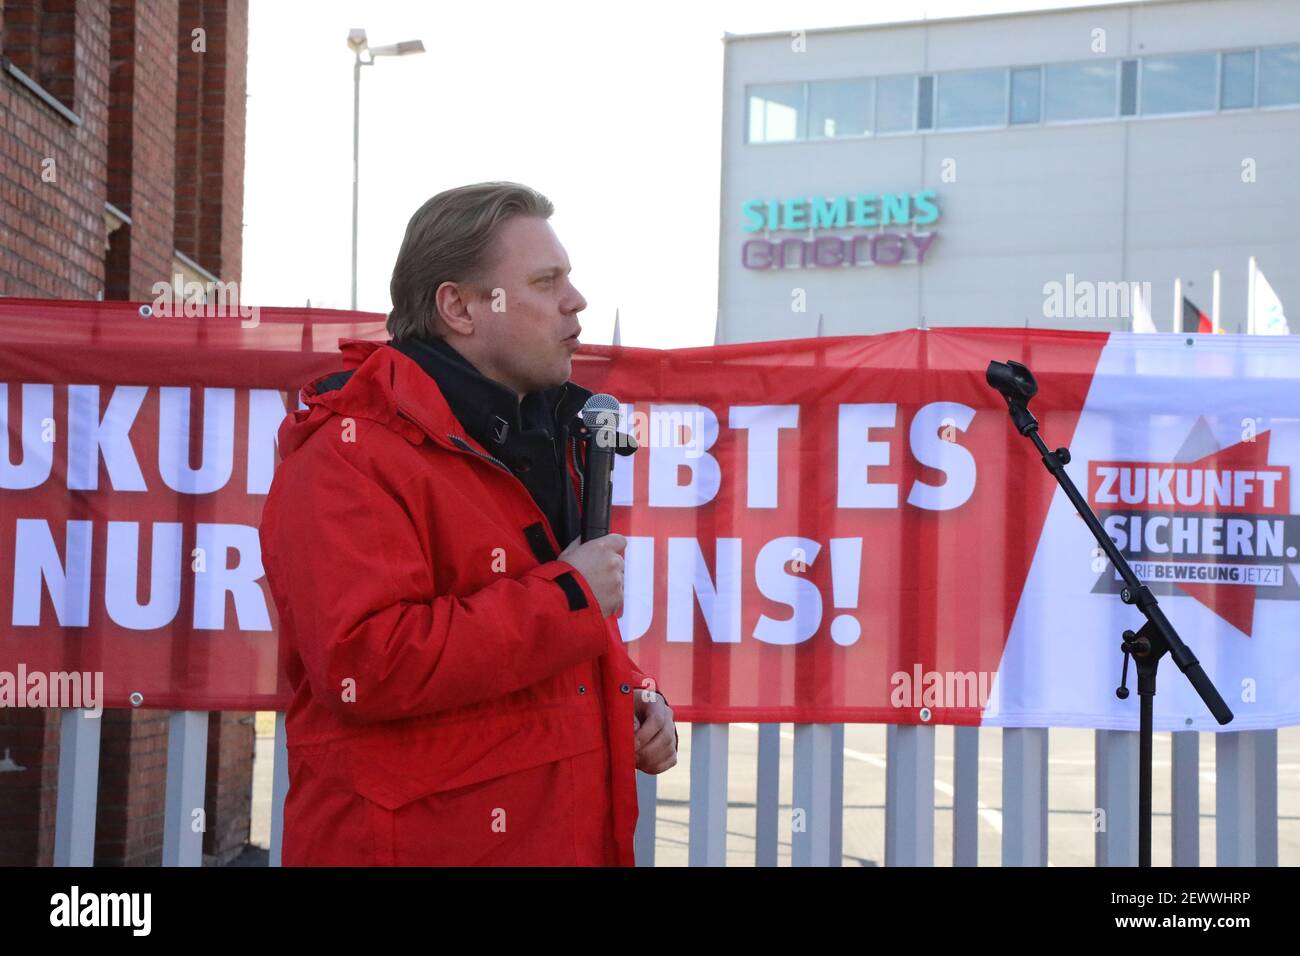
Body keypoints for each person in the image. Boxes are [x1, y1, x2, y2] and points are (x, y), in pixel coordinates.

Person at [259, 182, 676, 866]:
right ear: (458, 306)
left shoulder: (535, 437)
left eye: (568, 278)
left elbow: (541, 631)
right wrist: (570, 597)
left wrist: (631, 693)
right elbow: (368, 663)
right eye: (546, 281)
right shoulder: (348, 454)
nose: (577, 301)